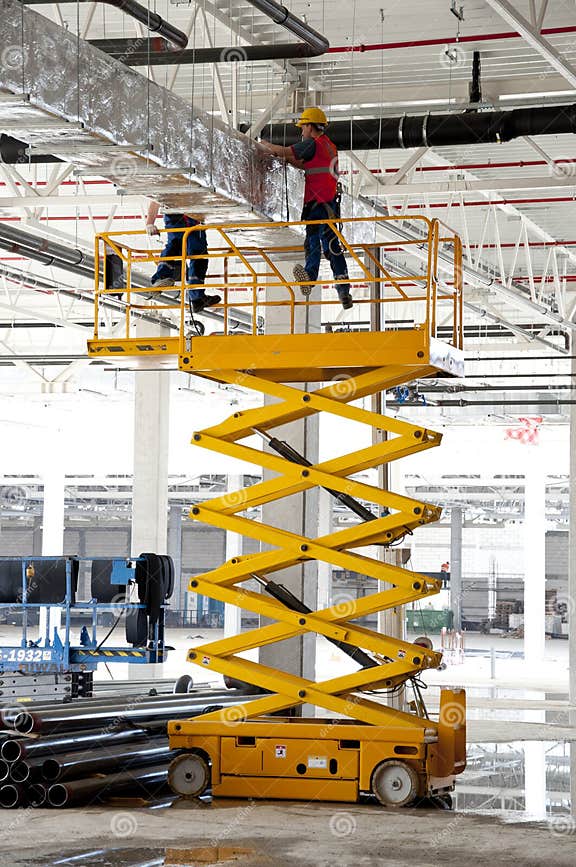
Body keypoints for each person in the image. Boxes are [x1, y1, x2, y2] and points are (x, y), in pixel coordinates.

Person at [259, 107, 353, 310]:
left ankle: (310, 277)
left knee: (312, 241)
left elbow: (286, 151)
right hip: (330, 204)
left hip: (317, 203)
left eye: (303, 127)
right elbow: (305, 164)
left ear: (310, 126)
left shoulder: (312, 143)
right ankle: (343, 289)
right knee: (332, 246)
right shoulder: (329, 146)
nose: (302, 131)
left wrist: (265, 145)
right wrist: (286, 158)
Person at [145, 202, 221, 314]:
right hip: (181, 217)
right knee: (180, 247)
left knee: (198, 255)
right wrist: (149, 223)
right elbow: (155, 200)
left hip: (193, 219)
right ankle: (162, 279)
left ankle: (197, 297)